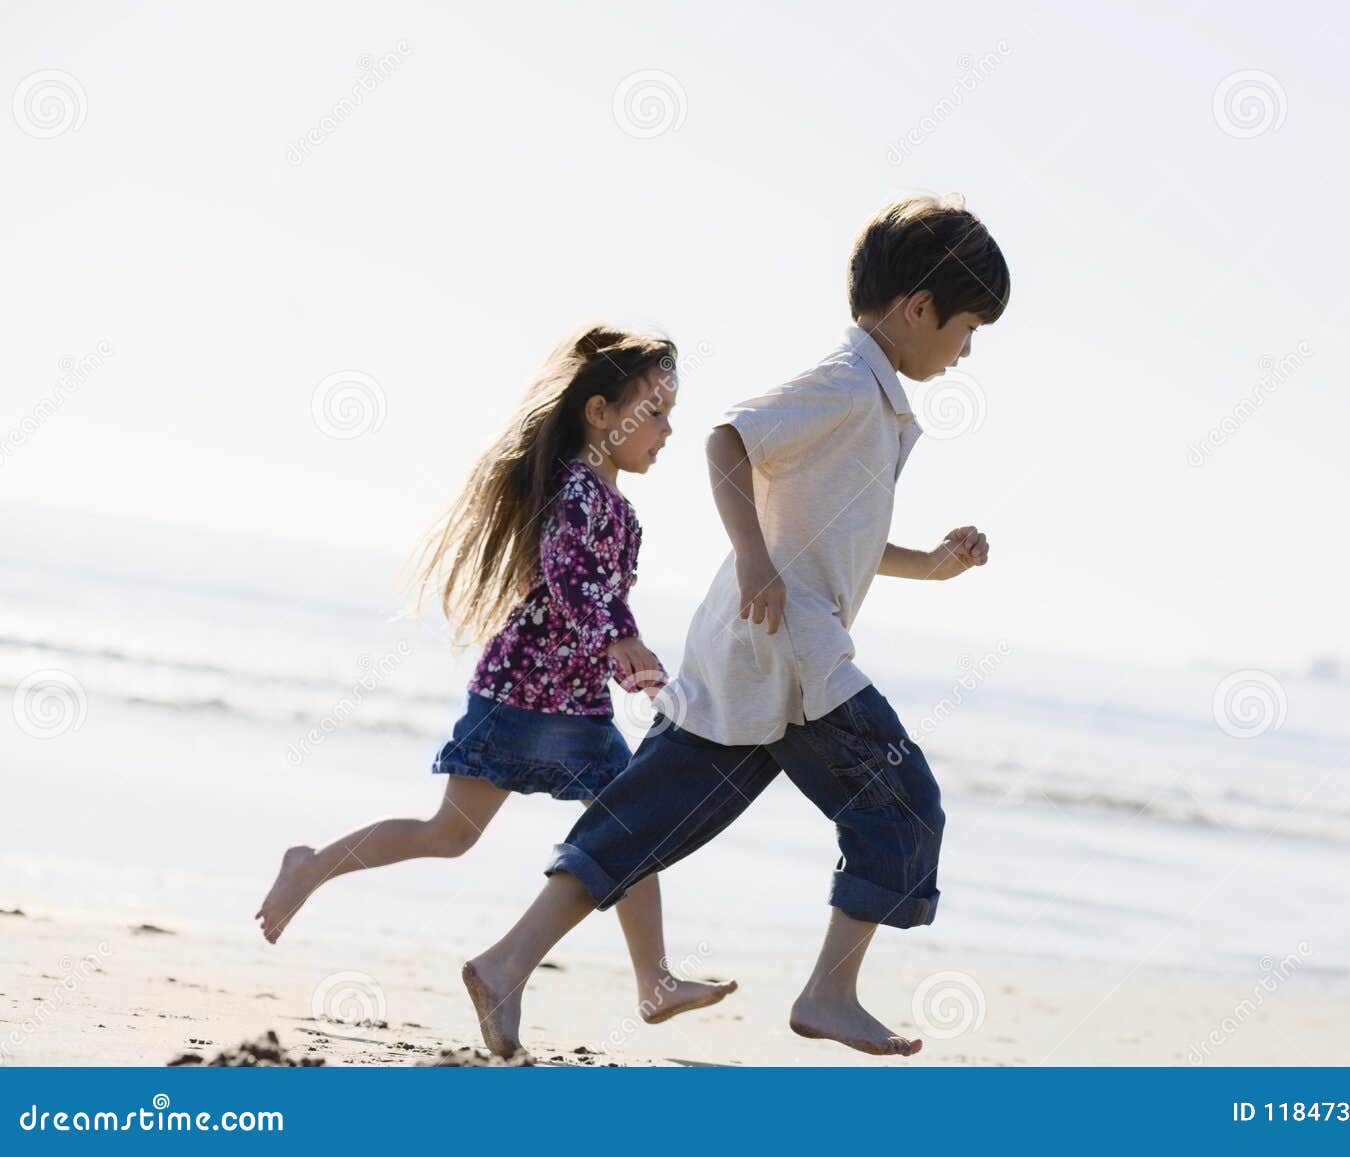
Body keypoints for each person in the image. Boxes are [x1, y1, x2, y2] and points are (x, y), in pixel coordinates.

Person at [462, 195, 1008, 1058]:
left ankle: (505, 962)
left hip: (750, 659)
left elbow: (834, 538)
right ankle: (829, 992)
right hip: (796, 656)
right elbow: (726, 442)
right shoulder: (844, 384)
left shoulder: (873, 399)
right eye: (968, 326)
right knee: (903, 806)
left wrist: (930, 562)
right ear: (919, 310)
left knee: (640, 820)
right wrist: (751, 556)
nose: (969, 348)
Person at [255, 325, 736, 1026]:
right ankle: (311, 865)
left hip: (574, 707)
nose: (667, 429)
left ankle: (651, 979)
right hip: (518, 698)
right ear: (600, 412)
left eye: (670, 414)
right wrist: (618, 638)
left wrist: (631, 657)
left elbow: (603, 597)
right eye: (654, 411)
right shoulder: (575, 491)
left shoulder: (620, 512)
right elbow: (571, 579)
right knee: (451, 833)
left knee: (625, 824)